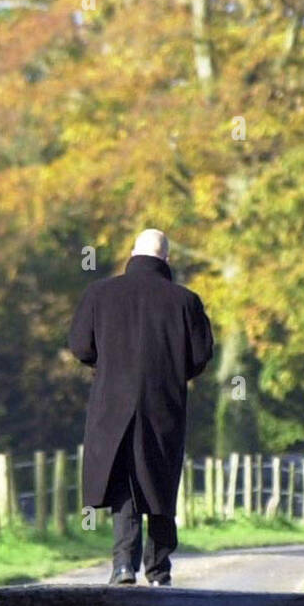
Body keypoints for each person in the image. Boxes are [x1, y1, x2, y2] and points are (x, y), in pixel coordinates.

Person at [68, 228, 214, 586]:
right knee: (160, 478)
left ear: (131, 254)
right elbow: (199, 357)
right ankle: (159, 568)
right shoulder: (185, 301)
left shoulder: (99, 294)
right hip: (162, 401)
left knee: (123, 482)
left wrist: (109, 363)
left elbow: (80, 347)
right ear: (167, 259)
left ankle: (123, 565)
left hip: (111, 400)